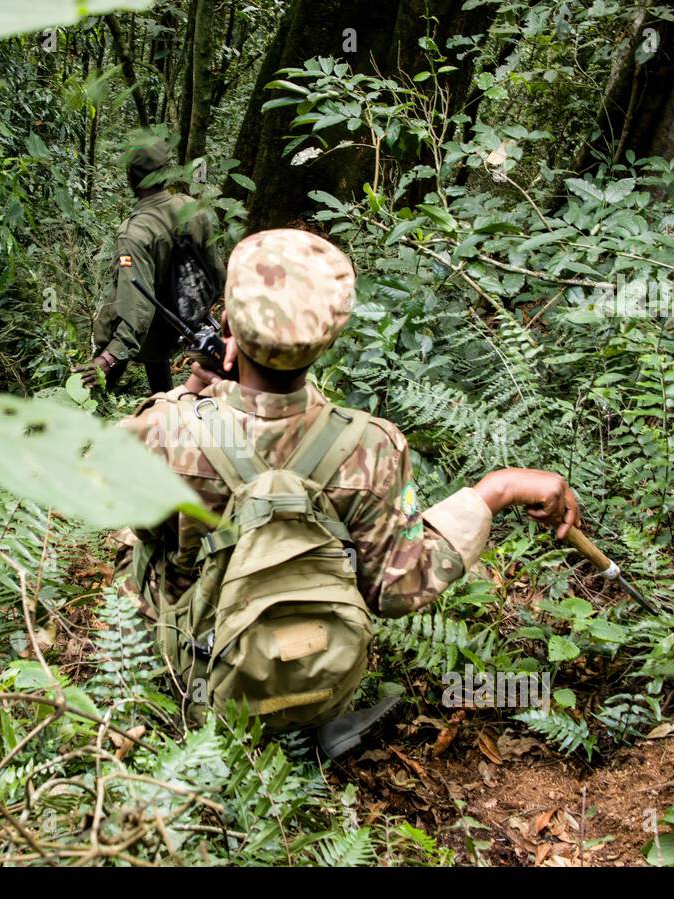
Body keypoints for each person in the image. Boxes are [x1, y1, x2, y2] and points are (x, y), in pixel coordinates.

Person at [116, 228, 581, 759]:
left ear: (228, 322)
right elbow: (398, 587)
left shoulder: (163, 432)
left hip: (196, 682)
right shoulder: (375, 448)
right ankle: (307, 721)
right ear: (328, 336)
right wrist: (492, 492)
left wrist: (191, 396)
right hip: (319, 678)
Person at [80, 136, 226, 394]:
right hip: (178, 325)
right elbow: (216, 273)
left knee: (96, 386)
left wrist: (108, 357)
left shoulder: (135, 233)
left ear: (131, 176)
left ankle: (88, 416)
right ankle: (165, 401)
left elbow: (137, 307)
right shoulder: (192, 207)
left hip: (146, 334)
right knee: (157, 365)